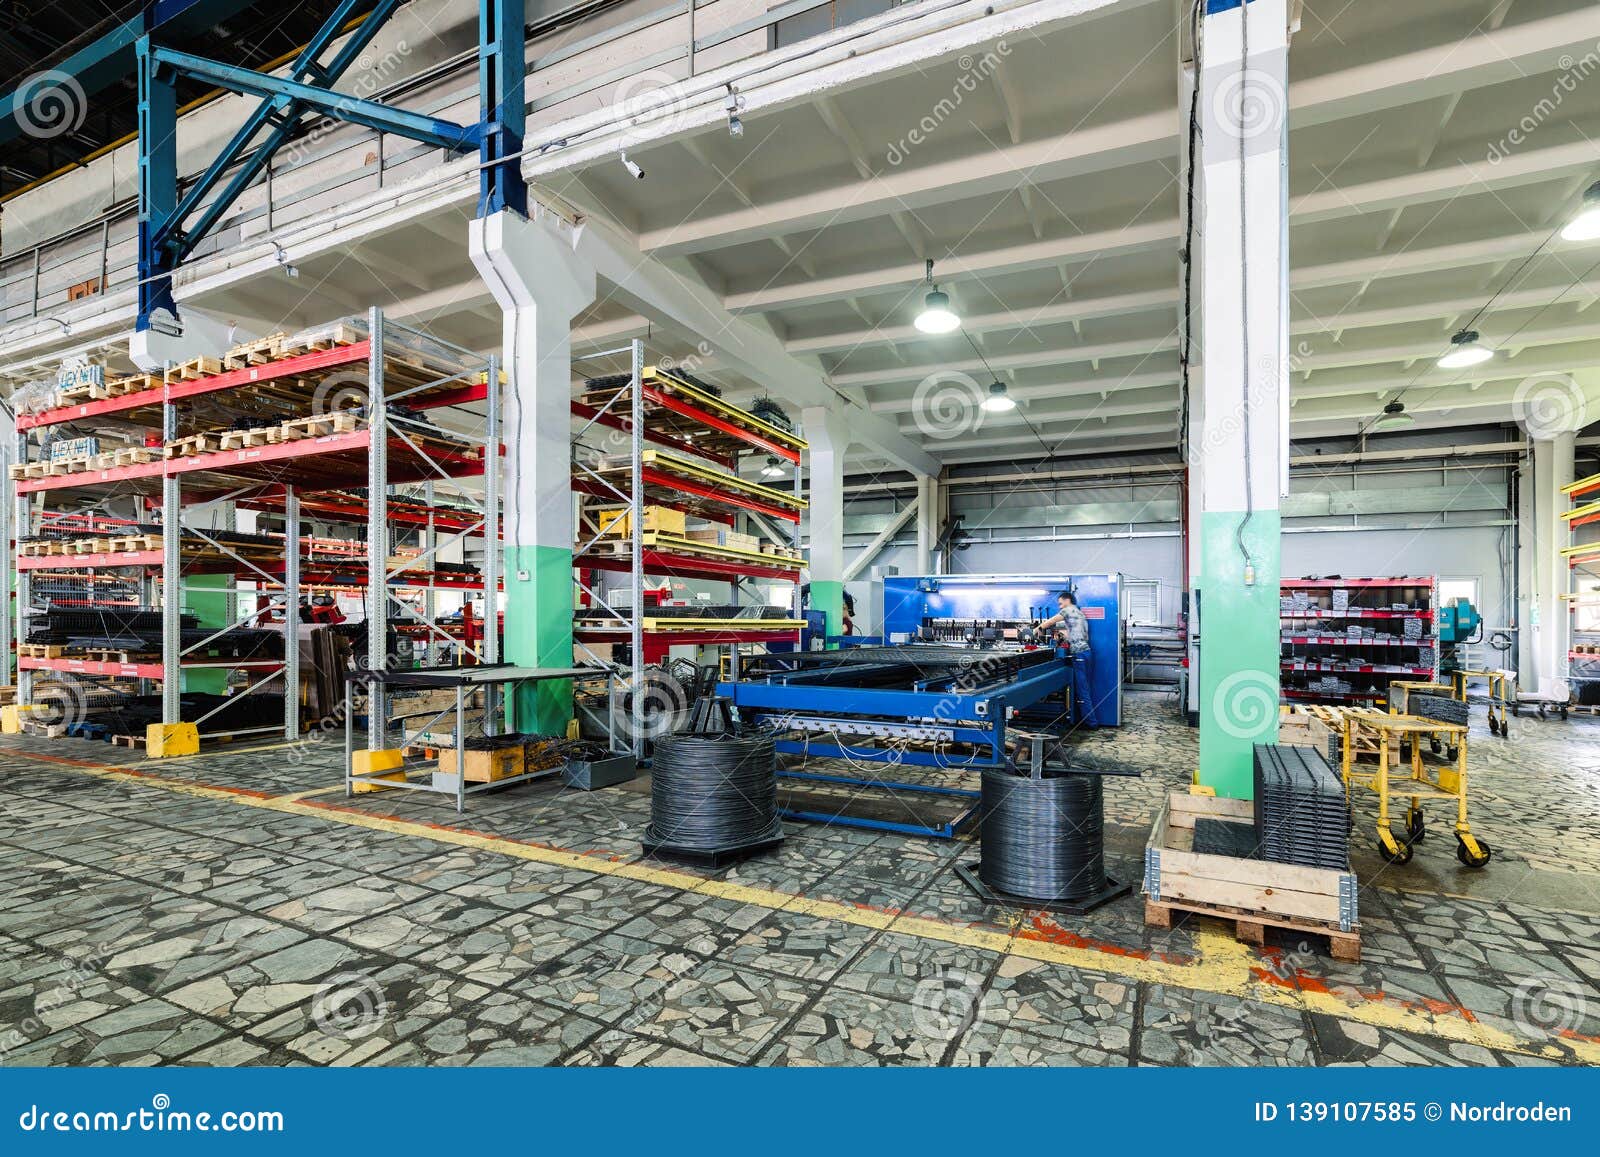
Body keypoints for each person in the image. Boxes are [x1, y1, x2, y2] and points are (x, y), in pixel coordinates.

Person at [1037, 590, 1096, 729]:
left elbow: (1050, 621)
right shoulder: (1079, 613)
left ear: (1067, 600)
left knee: (1082, 690)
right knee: (1084, 689)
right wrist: (1064, 638)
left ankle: (1091, 723)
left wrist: (1036, 630)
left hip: (1080, 655)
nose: (1059, 606)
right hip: (1086, 652)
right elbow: (1078, 635)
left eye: (1060, 603)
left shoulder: (1068, 610)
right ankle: (1087, 720)